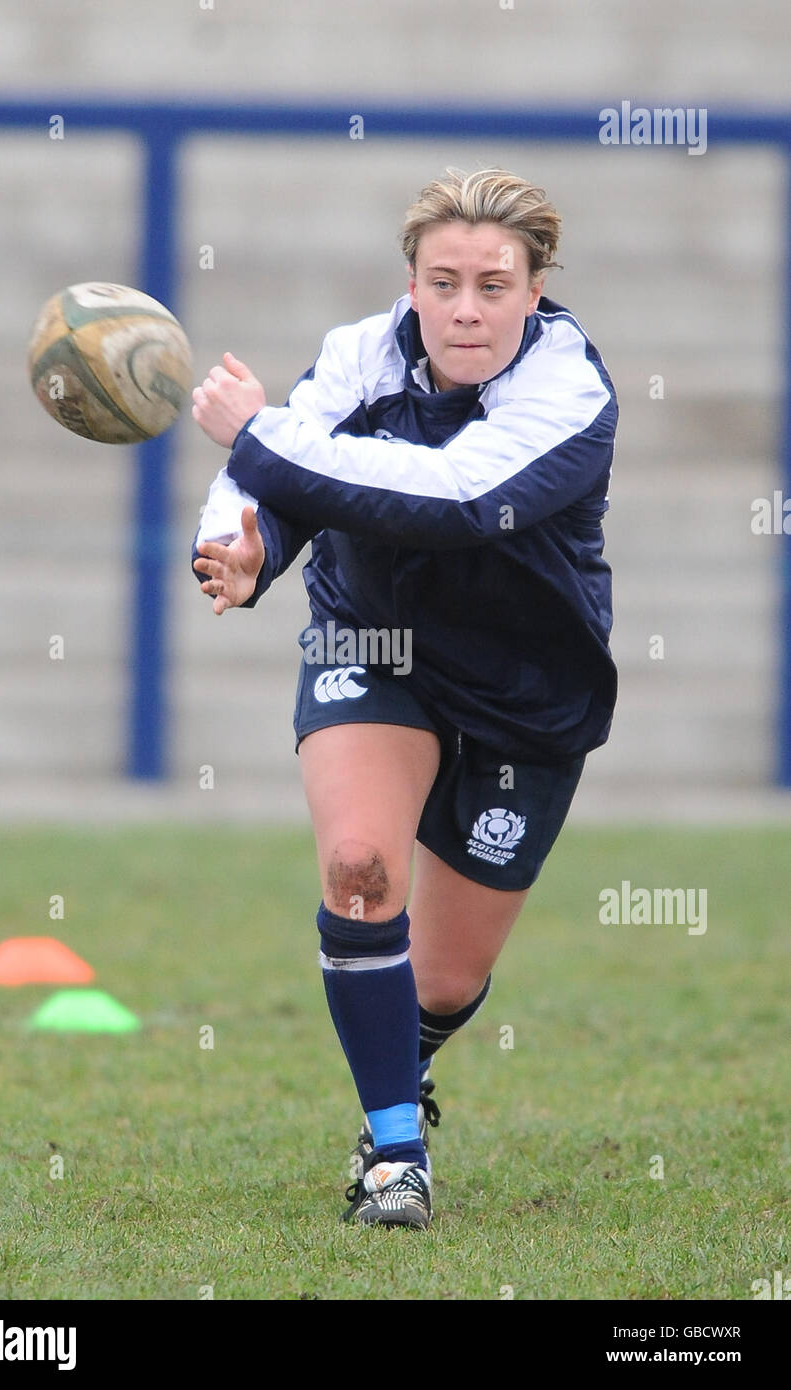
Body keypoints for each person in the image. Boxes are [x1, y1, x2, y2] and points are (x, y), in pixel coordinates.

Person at [191, 168, 618, 1229]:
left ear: (533, 291)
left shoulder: (568, 392)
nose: (465, 308)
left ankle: (401, 1060)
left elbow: (453, 500)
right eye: (443, 282)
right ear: (411, 284)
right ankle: (393, 1152)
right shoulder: (358, 354)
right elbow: (287, 465)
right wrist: (249, 543)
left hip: (527, 689)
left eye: (491, 284)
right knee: (358, 869)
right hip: (371, 642)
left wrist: (253, 441)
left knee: (441, 979)